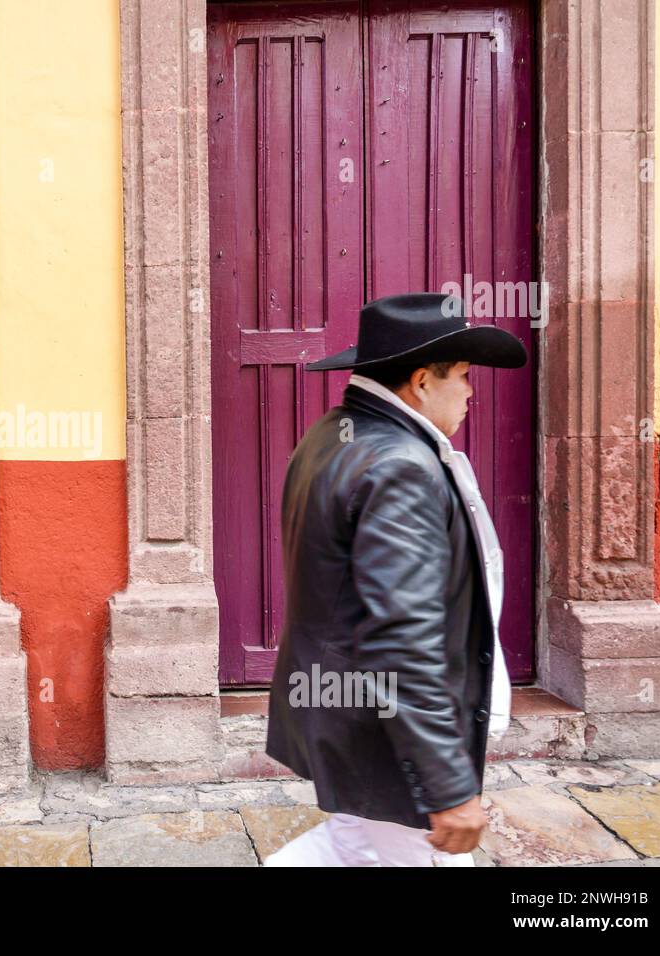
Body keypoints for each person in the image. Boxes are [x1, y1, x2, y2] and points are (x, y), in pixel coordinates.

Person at [262, 292, 527, 867]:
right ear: (421, 381)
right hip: (385, 732)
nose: (471, 390)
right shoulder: (399, 465)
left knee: (350, 848)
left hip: (359, 717)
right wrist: (448, 784)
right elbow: (403, 638)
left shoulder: (333, 433)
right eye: (461, 374)